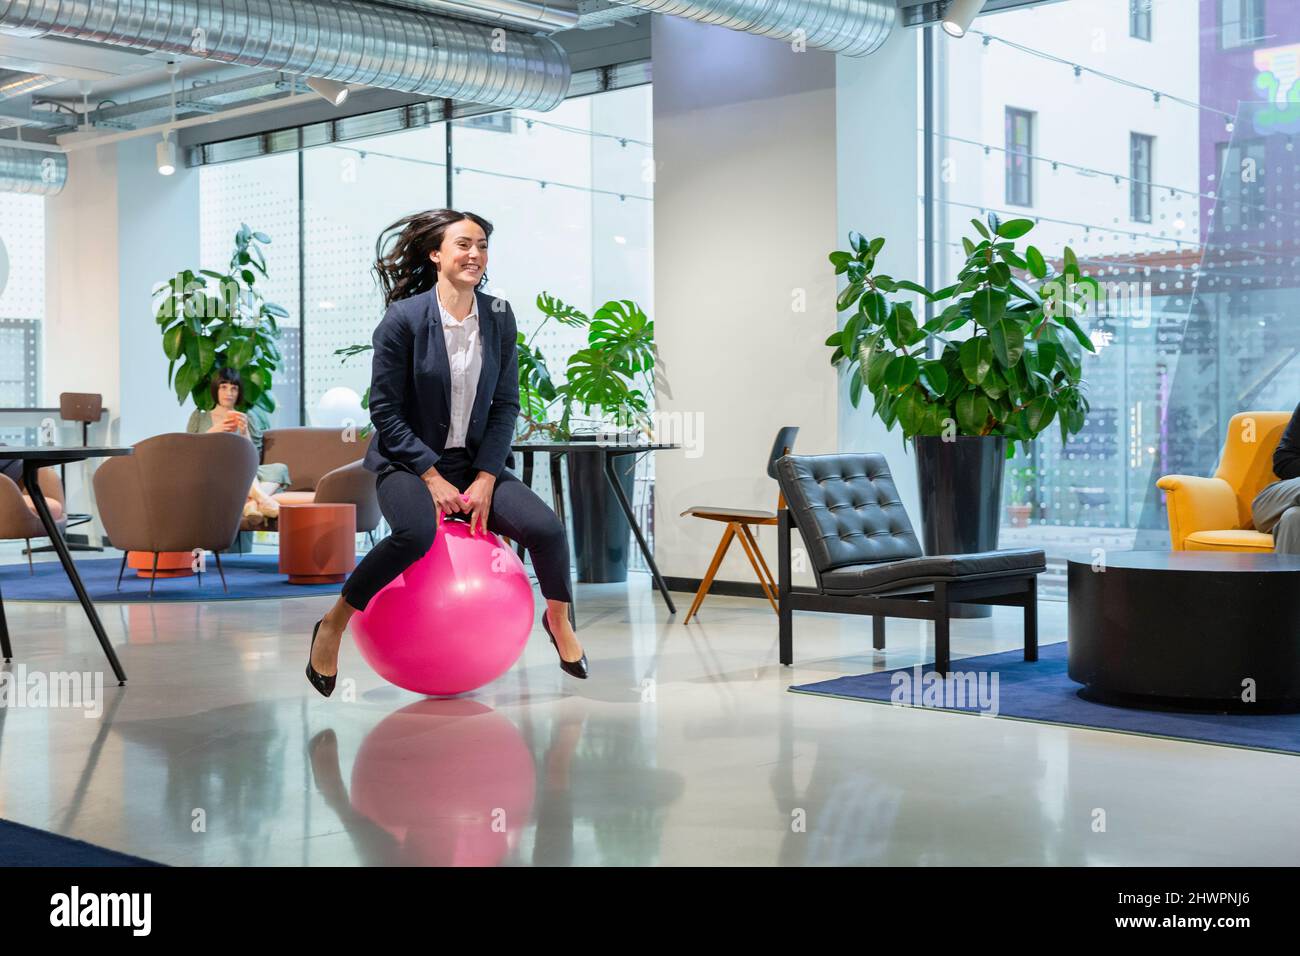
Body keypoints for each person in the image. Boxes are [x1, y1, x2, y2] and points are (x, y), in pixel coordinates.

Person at [305, 209, 586, 698]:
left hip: (475, 464)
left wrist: (485, 478)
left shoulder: (498, 315)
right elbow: (384, 410)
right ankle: (333, 624)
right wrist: (431, 477)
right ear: (436, 254)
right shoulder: (405, 319)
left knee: (546, 530)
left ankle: (558, 621)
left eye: (481, 245)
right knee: (415, 535)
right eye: (463, 244)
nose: (474, 253)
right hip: (408, 462)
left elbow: (506, 405)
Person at [185, 368, 291, 526]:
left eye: (234, 388)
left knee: (280, 469)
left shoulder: (247, 419)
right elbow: (189, 452)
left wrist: (244, 432)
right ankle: (261, 500)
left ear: (239, 392)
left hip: (243, 471)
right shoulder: (199, 417)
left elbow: (253, 458)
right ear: (216, 390)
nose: (229, 393)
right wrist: (213, 431)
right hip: (213, 471)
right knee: (233, 468)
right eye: (224, 387)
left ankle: (251, 505)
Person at [1251, 401, 1300, 553]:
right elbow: (1283, 461)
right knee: (1266, 506)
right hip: (1278, 502)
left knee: (1294, 518)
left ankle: (1285, 578)